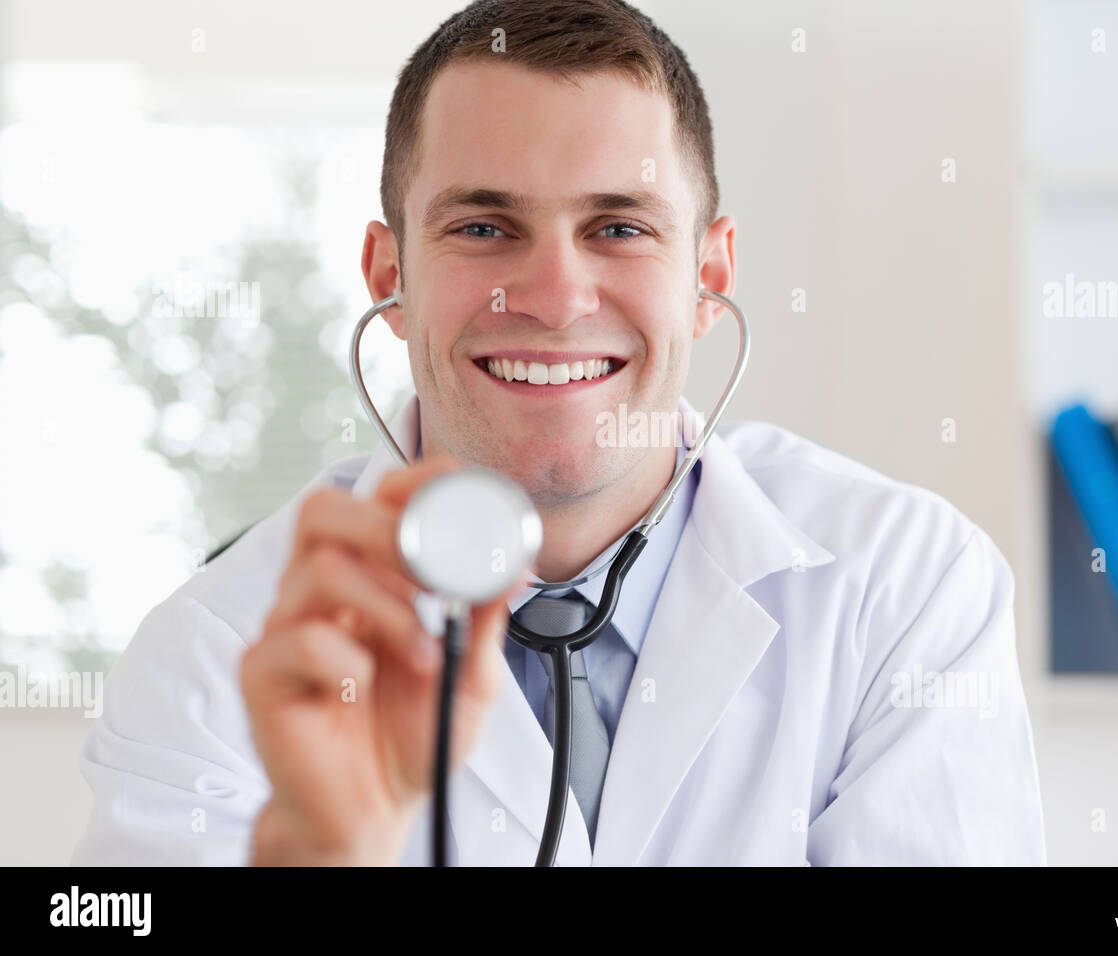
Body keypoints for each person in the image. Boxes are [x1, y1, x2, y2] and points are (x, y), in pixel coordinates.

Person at [71, 0, 1046, 866]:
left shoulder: (903, 587)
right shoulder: (217, 652)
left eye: (618, 228)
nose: (552, 298)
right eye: (484, 228)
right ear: (387, 275)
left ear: (711, 273)